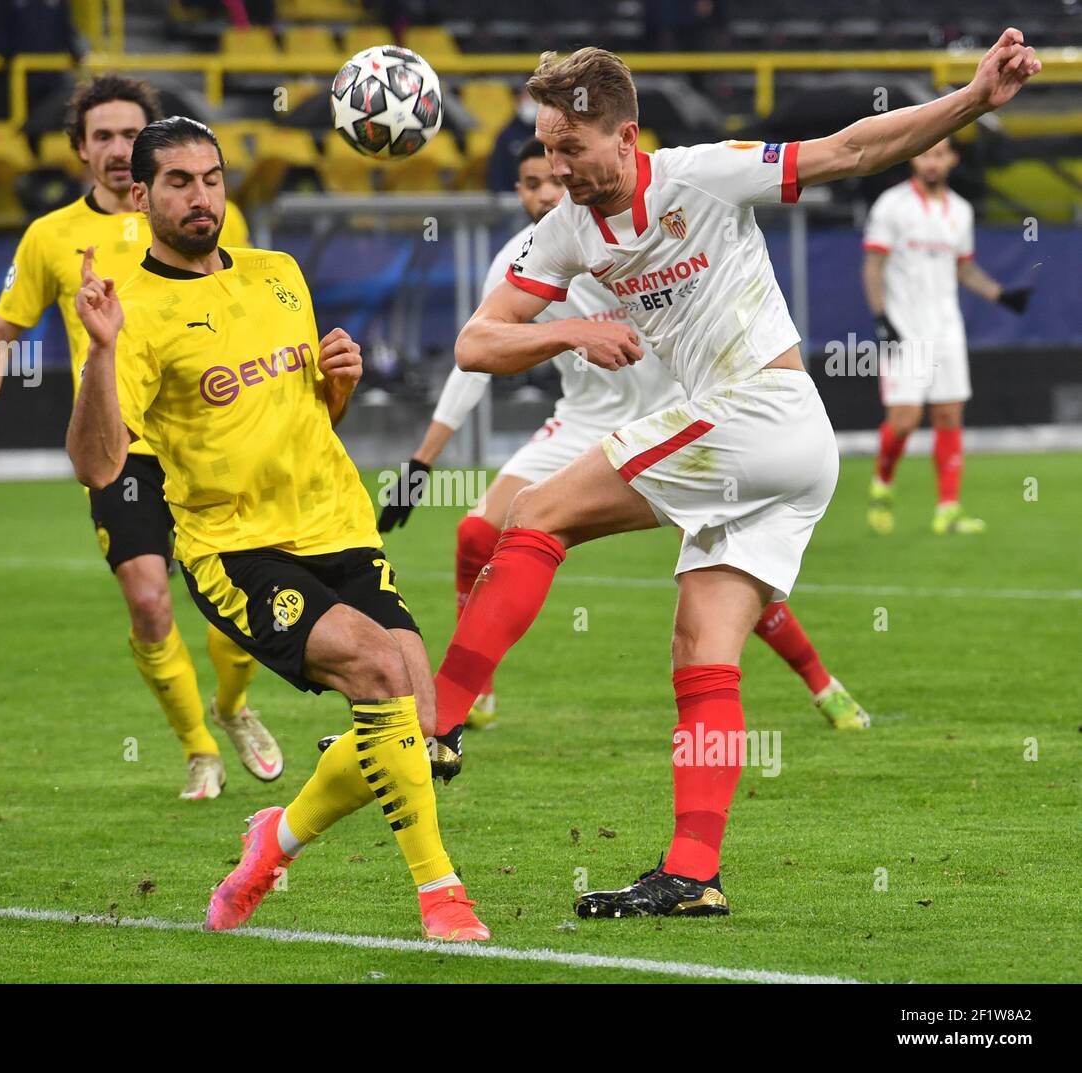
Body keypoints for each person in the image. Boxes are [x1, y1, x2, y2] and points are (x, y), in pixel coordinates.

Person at [432, 32, 1039, 920]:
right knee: (701, 653)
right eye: (549, 146)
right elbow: (476, 342)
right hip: (779, 454)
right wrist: (566, 330)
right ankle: (693, 873)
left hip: (761, 408)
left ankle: (435, 726)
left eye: (572, 145)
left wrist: (972, 98)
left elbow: (851, 148)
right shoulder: (564, 232)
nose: (558, 164)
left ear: (626, 134)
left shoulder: (701, 173)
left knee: (535, 512)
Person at [66, 116, 488, 941]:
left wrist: (343, 382)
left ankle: (272, 843)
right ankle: (443, 896)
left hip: (338, 522)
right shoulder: (135, 312)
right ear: (142, 194)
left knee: (421, 719)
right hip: (238, 547)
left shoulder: (280, 273)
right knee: (377, 671)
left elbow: (308, 412)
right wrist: (101, 354)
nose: (201, 196)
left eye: (213, 178)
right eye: (180, 182)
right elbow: (97, 463)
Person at [380, 138, 870, 733]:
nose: (545, 191)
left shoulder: (650, 223)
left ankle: (822, 683)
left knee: (722, 564)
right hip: (584, 418)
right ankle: (471, 694)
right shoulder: (528, 258)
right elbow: (473, 357)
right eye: (532, 182)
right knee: (478, 530)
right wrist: (421, 463)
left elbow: (838, 155)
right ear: (519, 191)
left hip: (677, 412)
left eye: (553, 180)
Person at [0, 75, 280, 801]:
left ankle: (231, 705)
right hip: (123, 450)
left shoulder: (209, 221)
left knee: (238, 603)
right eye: (101, 136)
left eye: (128, 136)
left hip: (210, 445)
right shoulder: (51, 237)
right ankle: (199, 747)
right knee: (149, 601)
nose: (115, 149)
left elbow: (249, 323)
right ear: (79, 148)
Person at [862, 137, 1032, 536]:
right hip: (905, 329)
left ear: (952, 160)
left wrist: (1001, 295)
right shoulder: (892, 205)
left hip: (946, 329)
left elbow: (964, 268)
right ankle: (882, 485)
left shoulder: (961, 211)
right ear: (914, 159)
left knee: (949, 416)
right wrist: (881, 318)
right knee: (904, 420)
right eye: (925, 153)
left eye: (940, 154)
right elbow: (873, 266)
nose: (932, 162)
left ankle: (948, 510)